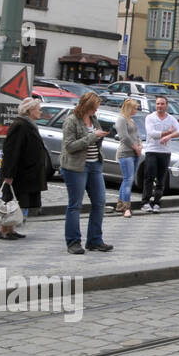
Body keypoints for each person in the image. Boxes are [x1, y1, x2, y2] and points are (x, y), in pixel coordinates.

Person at [61, 92, 113, 254]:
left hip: (94, 164)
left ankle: (95, 240)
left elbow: (93, 139)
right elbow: (70, 146)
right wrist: (92, 137)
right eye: (94, 107)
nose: (96, 110)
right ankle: (73, 242)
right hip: (76, 167)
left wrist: (100, 137)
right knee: (75, 205)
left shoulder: (94, 119)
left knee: (99, 202)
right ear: (87, 106)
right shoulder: (71, 121)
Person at [0, 96, 48, 241]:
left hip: (26, 172)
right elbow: (12, 151)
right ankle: (2, 230)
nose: (40, 112)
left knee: (17, 201)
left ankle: (10, 228)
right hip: (18, 173)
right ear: (30, 110)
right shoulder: (20, 125)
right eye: (38, 109)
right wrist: (8, 174)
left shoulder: (28, 124)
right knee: (10, 200)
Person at [140, 95, 179, 213]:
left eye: (162, 104)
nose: (159, 106)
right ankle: (145, 202)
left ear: (166, 105)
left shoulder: (170, 118)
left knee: (161, 178)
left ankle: (157, 202)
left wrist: (169, 136)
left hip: (165, 152)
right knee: (149, 176)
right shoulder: (150, 117)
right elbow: (152, 133)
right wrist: (167, 132)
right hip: (152, 151)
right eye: (158, 104)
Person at [114, 98, 142, 218]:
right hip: (126, 153)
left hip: (134, 152)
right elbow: (124, 137)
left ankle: (120, 204)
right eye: (135, 108)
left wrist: (140, 144)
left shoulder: (131, 120)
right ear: (129, 108)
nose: (136, 110)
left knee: (127, 179)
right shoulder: (121, 119)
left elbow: (136, 134)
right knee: (128, 180)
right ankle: (126, 207)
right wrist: (135, 147)